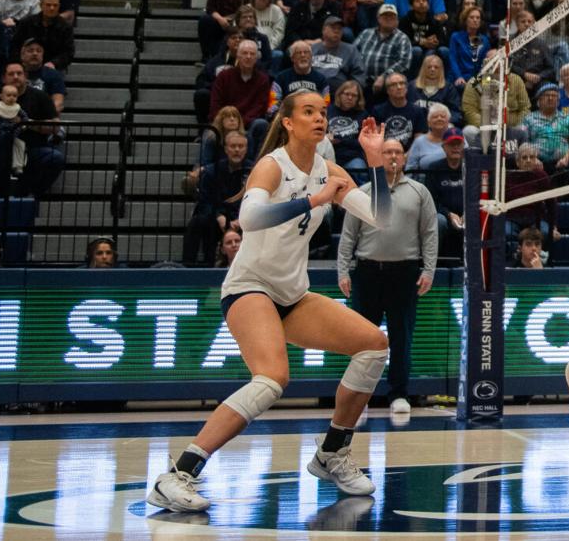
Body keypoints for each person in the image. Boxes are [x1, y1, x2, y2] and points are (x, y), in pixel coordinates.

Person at [145, 96, 393, 514]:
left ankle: (332, 452)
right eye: (309, 112)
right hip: (250, 287)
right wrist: (315, 201)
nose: (319, 118)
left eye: (323, 113)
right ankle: (177, 474)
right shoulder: (272, 165)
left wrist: (374, 163)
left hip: (292, 294)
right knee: (272, 378)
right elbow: (252, 218)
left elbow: (381, 218)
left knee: (373, 345)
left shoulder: (328, 170)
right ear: (289, 123)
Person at [337, 137, 436, 415]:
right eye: (386, 152)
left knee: (401, 336)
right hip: (367, 271)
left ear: (404, 158)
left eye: (397, 152)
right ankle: (360, 395)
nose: (392, 156)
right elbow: (348, 236)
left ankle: (398, 393)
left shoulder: (419, 192)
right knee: (362, 339)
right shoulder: (363, 192)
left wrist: (428, 269)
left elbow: (429, 233)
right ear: (377, 158)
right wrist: (343, 270)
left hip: (404, 272)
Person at [184, 131, 252, 267]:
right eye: (233, 146)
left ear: (246, 149)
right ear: (226, 149)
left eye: (241, 146)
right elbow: (205, 200)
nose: (237, 150)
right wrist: (218, 216)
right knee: (198, 221)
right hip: (217, 218)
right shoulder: (212, 171)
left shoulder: (254, 170)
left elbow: (258, 200)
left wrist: (242, 219)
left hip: (244, 218)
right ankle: (190, 267)